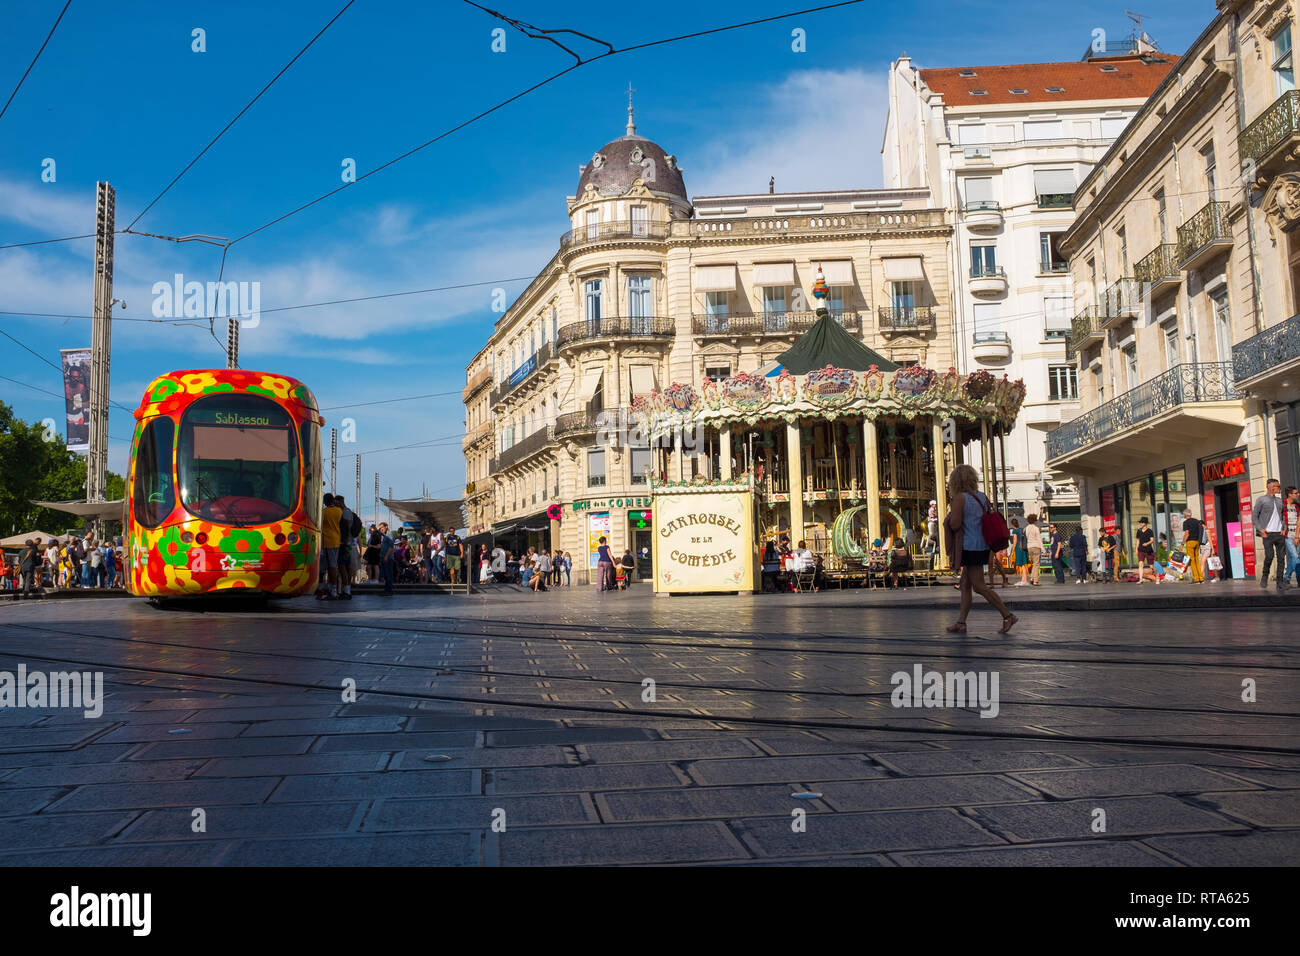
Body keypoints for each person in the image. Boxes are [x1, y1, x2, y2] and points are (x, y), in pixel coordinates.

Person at [942, 463, 1016, 634]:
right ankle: (961, 623)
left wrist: (948, 519)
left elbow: (955, 524)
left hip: (969, 546)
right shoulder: (982, 496)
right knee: (965, 583)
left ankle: (1008, 615)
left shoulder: (960, 498)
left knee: (979, 586)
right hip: (982, 544)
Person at [1253, 478, 1289, 592]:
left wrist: (1284, 528)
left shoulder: (1280, 501)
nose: (1279, 488)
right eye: (1278, 486)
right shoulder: (1261, 500)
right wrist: (1260, 529)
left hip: (1279, 533)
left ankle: (1280, 581)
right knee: (1269, 556)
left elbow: (1284, 516)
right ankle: (1264, 576)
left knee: (1281, 558)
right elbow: (1254, 516)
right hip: (1267, 534)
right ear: (1271, 487)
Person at [335, 495, 361, 599]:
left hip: (344, 544)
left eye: (336, 502)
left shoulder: (345, 513)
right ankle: (347, 589)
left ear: (340, 501)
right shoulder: (349, 512)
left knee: (342, 566)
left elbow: (346, 528)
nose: (335, 504)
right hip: (348, 544)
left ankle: (346, 590)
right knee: (347, 566)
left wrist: (345, 541)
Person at [1181, 509, 1205, 584]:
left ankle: (1196, 579)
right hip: (1197, 542)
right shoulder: (1196, 521)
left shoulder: (1186, 522)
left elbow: (1187, 533)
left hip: (1190, 542)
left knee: (1192, 561)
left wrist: (1182, 544)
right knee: (1197, 560)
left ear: (1185, 515)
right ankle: (1201, 578)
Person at [1285, 486, 1300, 587]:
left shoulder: (1298, 506)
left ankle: (1286, 577)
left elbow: (1299, 521)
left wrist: (1297, 536)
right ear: (1290, 494)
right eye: (1296, 493)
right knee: (1296, 557)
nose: (1298, 495)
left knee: (1293, 558)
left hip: (1297, 534)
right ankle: (1299, 578)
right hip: (1287, 535)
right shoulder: (1281, 505)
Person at [1134, 517, 1156, 585]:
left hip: (1148, 550)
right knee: (1141, 564)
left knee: (1151, 566)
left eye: (1142, 522)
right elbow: (1138, 540)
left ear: (1145, 523)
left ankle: (1157, 576)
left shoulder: (1150, 531)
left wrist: (1147, 543)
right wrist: (1136, 549)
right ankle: (1140, 579)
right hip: (1141, 550)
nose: (1140, 523)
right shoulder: (1139, 531)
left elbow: (1152, 540)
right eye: (1140, 522)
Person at [377, 521, 395, 595]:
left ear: (386, 526)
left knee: (388, 574)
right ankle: (387, 590)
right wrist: (378, 528)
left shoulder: (389, 535)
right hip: (384, 557)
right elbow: (377, 531)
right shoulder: (385, 535)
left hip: (387, 557)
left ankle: (389, 590)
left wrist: (386, 556)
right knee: (386, 574)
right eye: (380, 528)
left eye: (382, 528)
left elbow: (391, 547)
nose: (381, 529)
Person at [1024, 514, 1042, 586]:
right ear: (1035, 520)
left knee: (1034, 563)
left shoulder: (1026, 528)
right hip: (1036, 546)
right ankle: (1035, 581)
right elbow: (1039, 539)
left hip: (1029, 547)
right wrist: (1043, 549)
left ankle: (1032, 578)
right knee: (1037, 564)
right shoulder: (1036, 528)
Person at [1009, 518, 1028, 587]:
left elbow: (1015, 542)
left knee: (1022, 564)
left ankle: (1025, 580)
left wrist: (1012, 552)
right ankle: (1023, 579)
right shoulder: (1021, 529)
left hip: (1018, 549)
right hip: (1023, 548)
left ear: (1012, 524)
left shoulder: (1014, 531)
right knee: (1023, 564)